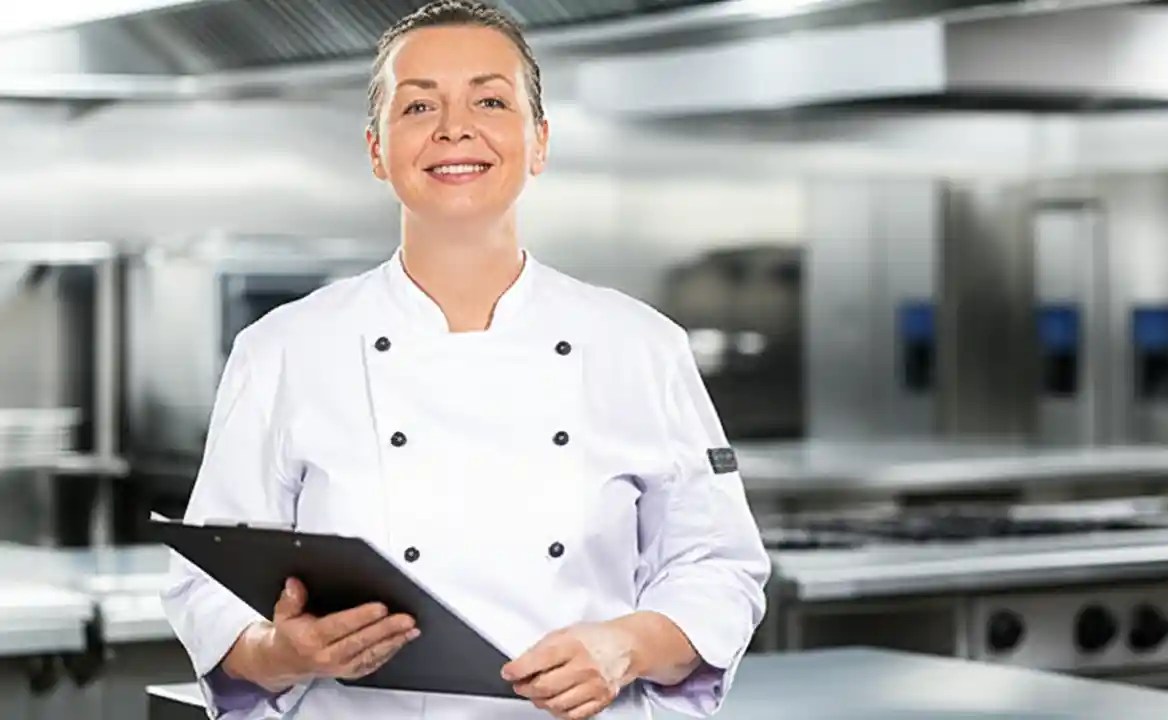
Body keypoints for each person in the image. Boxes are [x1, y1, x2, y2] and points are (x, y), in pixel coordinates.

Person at [160, 1, 770, 718]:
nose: (455, 128)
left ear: (538, 142)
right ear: (377, 149)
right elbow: (209, 584)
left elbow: (718, 568)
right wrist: (282, 652)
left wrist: (626, 645)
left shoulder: (641, 346)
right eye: (419, 106)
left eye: (490, 100)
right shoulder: (283, 350)